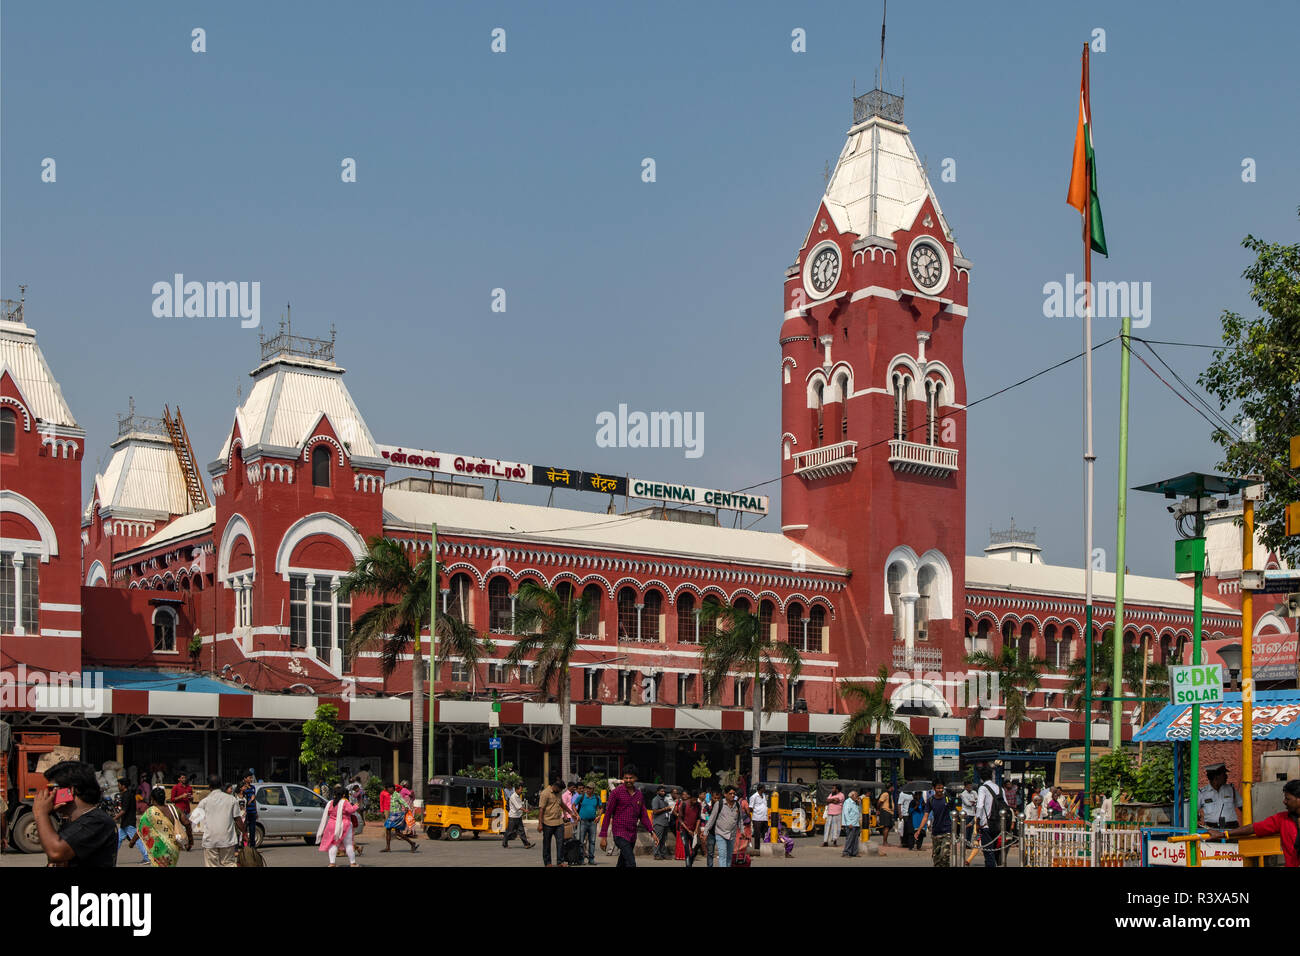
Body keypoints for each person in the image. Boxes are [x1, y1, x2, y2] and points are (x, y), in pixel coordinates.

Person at [35, 760, 118, 867]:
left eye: (52, 788)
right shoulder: (73, 822)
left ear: (71, 790)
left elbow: (56, 852)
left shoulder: (98, 821)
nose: (49, 794)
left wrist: (41, 813)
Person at [1207, 778, 1300, 868]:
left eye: (1288, 799)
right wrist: (1224, 834)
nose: (1284, 802)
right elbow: (1254, 828)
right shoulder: (1282, 819)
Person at [599, 765, 656, 867]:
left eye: (631, 778)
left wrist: (652, 831)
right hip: (619, 833)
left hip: (632, 834)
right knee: (631, 863)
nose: (628, 780)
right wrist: (604, 836)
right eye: (626, 778)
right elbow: (607, 814)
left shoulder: (639, 795)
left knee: (622, 862)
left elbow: (643, 816)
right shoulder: (616, 793)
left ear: (635, 778)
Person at [195, 775, 244, 867]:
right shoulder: (232, 799)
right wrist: (244, 833)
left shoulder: (204, 802)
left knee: (212, 865)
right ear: (221, 785)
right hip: (227, 839)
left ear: (209, 787)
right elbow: (238, 819)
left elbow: (194, 820)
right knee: (229, 863)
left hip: (210, 840)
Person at [137, 787, 183, 867]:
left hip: (158, 849)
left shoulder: (150, 812)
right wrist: (190, 840)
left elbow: (142, 827)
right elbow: (187, 822)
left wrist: (132, 842)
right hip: (173, 848)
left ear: (152, 799)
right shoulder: (173, 808)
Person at [317, 784, 362, 867]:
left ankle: (332, 863)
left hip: (331, 825)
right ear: (344, 795)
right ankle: (353, 863)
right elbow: (350, 810)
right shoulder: (344, 802)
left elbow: (329, 813)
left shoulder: (330, 803)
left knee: (333, 844)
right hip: (344, 825)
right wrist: (356, 806)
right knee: (348, 844)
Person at [702, 785, 743, 867]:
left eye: (733, 794)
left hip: (732, 834)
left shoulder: (737, 805)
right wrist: (705, 832)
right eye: (730, 793)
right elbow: (711, 819)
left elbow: (740, 820)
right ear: (725, 794)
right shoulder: (719, 804)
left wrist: (742, 831)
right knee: (722, 856)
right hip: (720, 833)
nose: (732, 795)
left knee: (729, 856)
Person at [918, 780, 954, 867]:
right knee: (937, 858)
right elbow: (925, 816)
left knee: (944, 855)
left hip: (947, 831)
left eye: (942, 788)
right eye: (938, 788)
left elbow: (954, 814)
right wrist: (919, 829)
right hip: (936, 832)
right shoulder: (930, 801)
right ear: (934, 788)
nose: (940, 790)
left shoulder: (948, 799)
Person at [1197, 763, 1242, 831]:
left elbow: (1242, 806)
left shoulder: (1231, 789)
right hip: (1212, 829)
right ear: (1215, 777)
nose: (1226, 777)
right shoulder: (1202, 793)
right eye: (1224, 774)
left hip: (1231, 829)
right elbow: (1193, 811)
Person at [114, 778, 149, 863]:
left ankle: (147, 857)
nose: (118, 787)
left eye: (119, 785)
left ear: (123, 786)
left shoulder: (126, 795)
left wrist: (114, 818)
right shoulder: (130, 794)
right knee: (117, 839)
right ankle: (111, 857)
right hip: (126, 822)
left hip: (128, 822)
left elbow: (124, 810)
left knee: (137, 840)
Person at [538, 778, 567, 867]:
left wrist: (568, 813)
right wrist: (540, 824)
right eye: (560, 789)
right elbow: (541, 809)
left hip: (559, 822)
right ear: (555, 786)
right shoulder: (545, 793)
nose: (560, 791)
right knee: (547, 843)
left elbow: (561, 803)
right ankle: (547, 862)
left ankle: (560, 862)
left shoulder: (559, 792)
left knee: (561, 842)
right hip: (548, 822)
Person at [975, 767, 1000, 868]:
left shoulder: (983, 788)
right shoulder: (999, 788)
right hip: (999, 824)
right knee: (996, 851)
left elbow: (980, 805)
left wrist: (977, 821)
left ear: (981, 778)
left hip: (986, 824)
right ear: (991, 776)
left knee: (988, 851)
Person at [384, 780, 419, 852]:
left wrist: (407, 807)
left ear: (392, 788)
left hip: (397, 815)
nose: (388, 790)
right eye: (387, 789)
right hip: (393, 815)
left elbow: (403, 802)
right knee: (396, 832)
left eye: (388, 788)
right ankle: (412, 843)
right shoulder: (391, 795)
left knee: (390, 830)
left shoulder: (397, 795)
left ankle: (388, 847)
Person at [573, 783, 602, 865]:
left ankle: (591, 859)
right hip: (583, 822)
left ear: (593, 789)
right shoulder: (581, 797)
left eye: (590, 788)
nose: (588, 790)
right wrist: (577, 815)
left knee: (592, 841)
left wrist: (599, 816)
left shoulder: (597, 797)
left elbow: (601, 808)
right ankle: (581, 859)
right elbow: (573, 805)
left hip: (593, 822)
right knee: (581, 841)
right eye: (587, 788)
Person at [502, 783, 534, 849]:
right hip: (513, 817)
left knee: (522, 831)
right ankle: (504, 843)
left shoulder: (518, 796)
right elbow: (518, 807)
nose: (521, 791)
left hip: (518, 816)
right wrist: (525, 810)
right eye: (520, 790)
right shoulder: (513, 797)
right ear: (516, 789)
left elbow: (521, 805)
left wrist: (527, 808)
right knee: (509, 831)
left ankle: (526, 844)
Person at [677, 788, 704, 866]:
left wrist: (696, 829)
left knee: (695, 849)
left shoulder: (698, 805)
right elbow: (680, 819)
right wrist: (688, 830)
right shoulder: (684, 804)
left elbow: (698, 818)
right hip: (684, 830)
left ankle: (690, 863)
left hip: (693, 830)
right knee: (687, 849)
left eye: (696, 799)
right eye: (693, 799)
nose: (695, 801)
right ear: (690, 798)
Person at [171, 772, 195, 851]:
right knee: (180, 828)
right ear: (179, 779)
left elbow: (191, 800)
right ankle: (180, 844)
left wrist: (191, 798)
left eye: (185, 778)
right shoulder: (175, 787)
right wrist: (181, 796)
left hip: (187, 810)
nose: (184, 779)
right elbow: (172, 799)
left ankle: (187, 843)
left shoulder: (189, 788)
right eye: (182, 778)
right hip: (179, 810)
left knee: (188, 827)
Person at [651, 785, 673, 859]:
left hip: (665, 822)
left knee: (664, 840)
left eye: (664, 791)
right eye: (662, 791)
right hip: (658, 823)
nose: (663, 792)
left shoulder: (665, 799)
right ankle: (656, 854)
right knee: (657, 839)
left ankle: (662, 854)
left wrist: (668, 809)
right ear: (658, 792)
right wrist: (665, 808)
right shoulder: (655, 799)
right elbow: (655, 811)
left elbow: (665, 810)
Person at [238, 772, 258, 846]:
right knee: (244, 830)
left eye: (251, 778)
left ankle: (253, 846)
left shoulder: (253, 788)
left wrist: (256, 811)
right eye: (249, 778)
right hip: (246, 812)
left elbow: (254, 800)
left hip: (252, 811)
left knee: (253, 830)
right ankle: (245, 846)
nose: (251, 779)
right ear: (245, 778)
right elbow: (243, 803)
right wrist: (250, 800)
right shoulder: (243, 789)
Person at [841, 789, 862, 857]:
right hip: (850, 823)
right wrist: (849, 823)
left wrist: (859, 803)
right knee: (849, 838)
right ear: (852, 796)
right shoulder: (847, 802)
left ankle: (854, 852)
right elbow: (846, 813)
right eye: (856, 795)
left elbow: (858, 811)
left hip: (856, 823)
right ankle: (846, 852)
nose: (857, 797)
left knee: (855, 839)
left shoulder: (855, 802)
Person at [749, 783, 770, 850]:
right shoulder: (754, 797)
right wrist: (756, 811)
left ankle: (766, 848)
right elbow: (750, 808)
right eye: (764, 788)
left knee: (765, 834)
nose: (765, 789)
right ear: (761, 789)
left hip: (764, 818)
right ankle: (757, 849)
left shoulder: (764, 795)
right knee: (757, 835)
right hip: (757, 818)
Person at [960, 780, 979, 845]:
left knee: (971, 829)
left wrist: (973, 802)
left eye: (970, 786)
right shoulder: (963, 794)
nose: (969, 787)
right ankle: (965, 843)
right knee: (966, 829)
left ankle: (969, 842)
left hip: (973, 813)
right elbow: (968, 803)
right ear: (965, 787)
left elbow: (978, 800)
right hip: (966, 813)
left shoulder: (974, 792)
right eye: (968, 786)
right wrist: (974, 802)